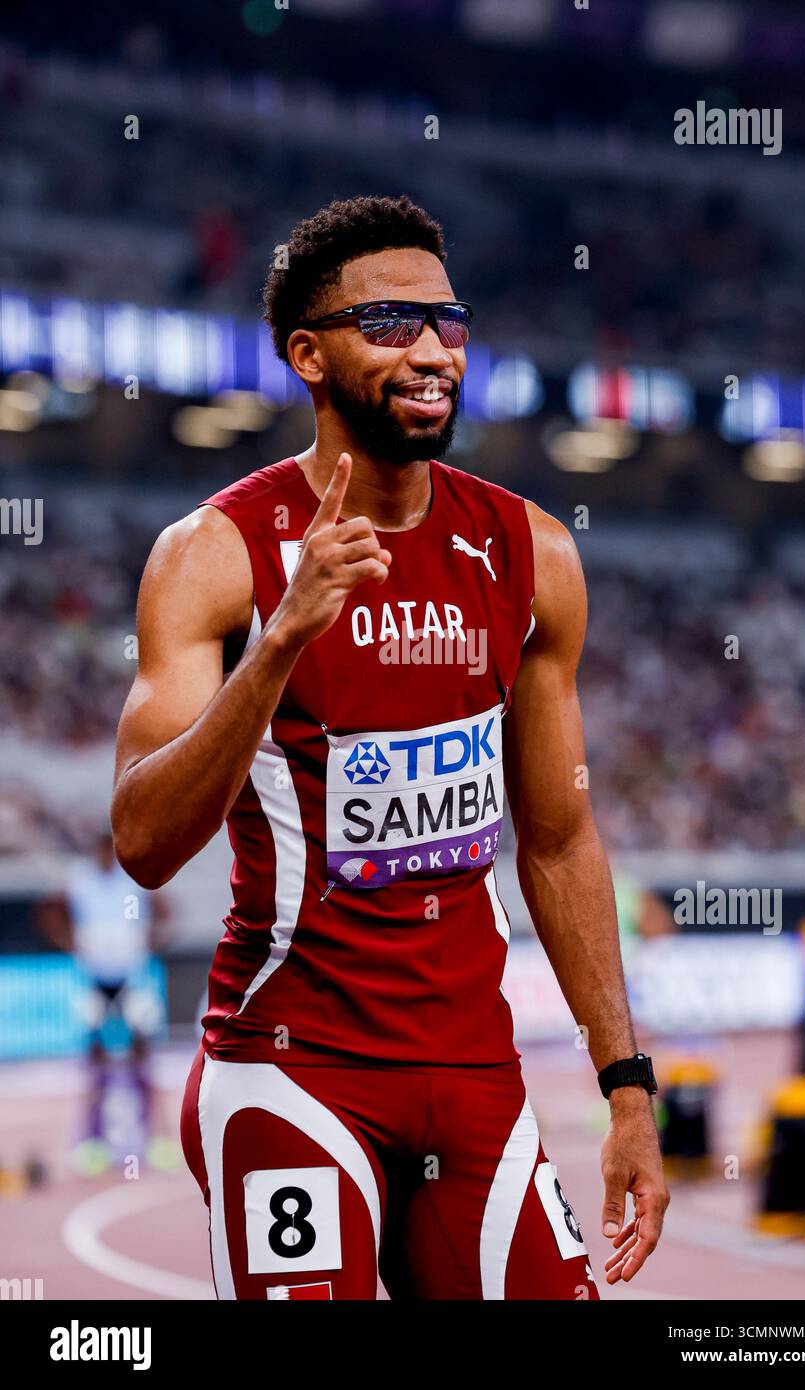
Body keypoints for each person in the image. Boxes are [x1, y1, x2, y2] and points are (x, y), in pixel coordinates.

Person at [112, 194, 668, 1300]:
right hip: (290, 1065)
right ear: (308, 357)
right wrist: (278, 645)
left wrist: (626, 1085)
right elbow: (141, 839)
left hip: (472, 1074)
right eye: (390, 324)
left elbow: (556, 842)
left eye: (447, 324)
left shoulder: (531, 555)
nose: (429, 351)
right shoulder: (213, 557)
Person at [39, 830, 169, 1173]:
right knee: (95, 1059)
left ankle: (153, 1137)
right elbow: (51, 909)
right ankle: (94, 1142)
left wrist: (150, 941)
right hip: (94, 978)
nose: (104, 857)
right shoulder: (80, 880)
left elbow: (166, 909)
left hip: (132, 976)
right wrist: (68, 942)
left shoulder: (134, 879)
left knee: (142, 1055)